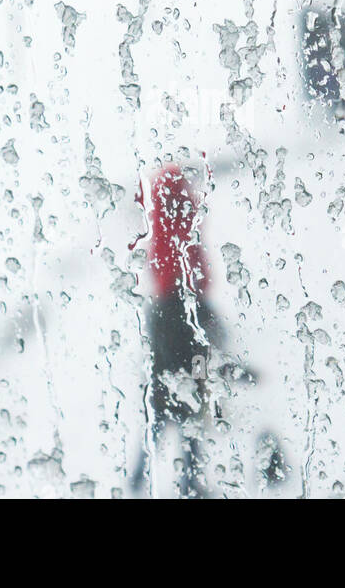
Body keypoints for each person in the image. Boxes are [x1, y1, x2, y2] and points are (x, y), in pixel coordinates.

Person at [131, 163, 221, 497]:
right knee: (191, 393)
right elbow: (194, 256)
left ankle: (140, 474)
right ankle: (190, 481)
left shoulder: (161, 215)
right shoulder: (181, 215)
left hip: (167, 308)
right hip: (185, 310)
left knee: (160, 393)